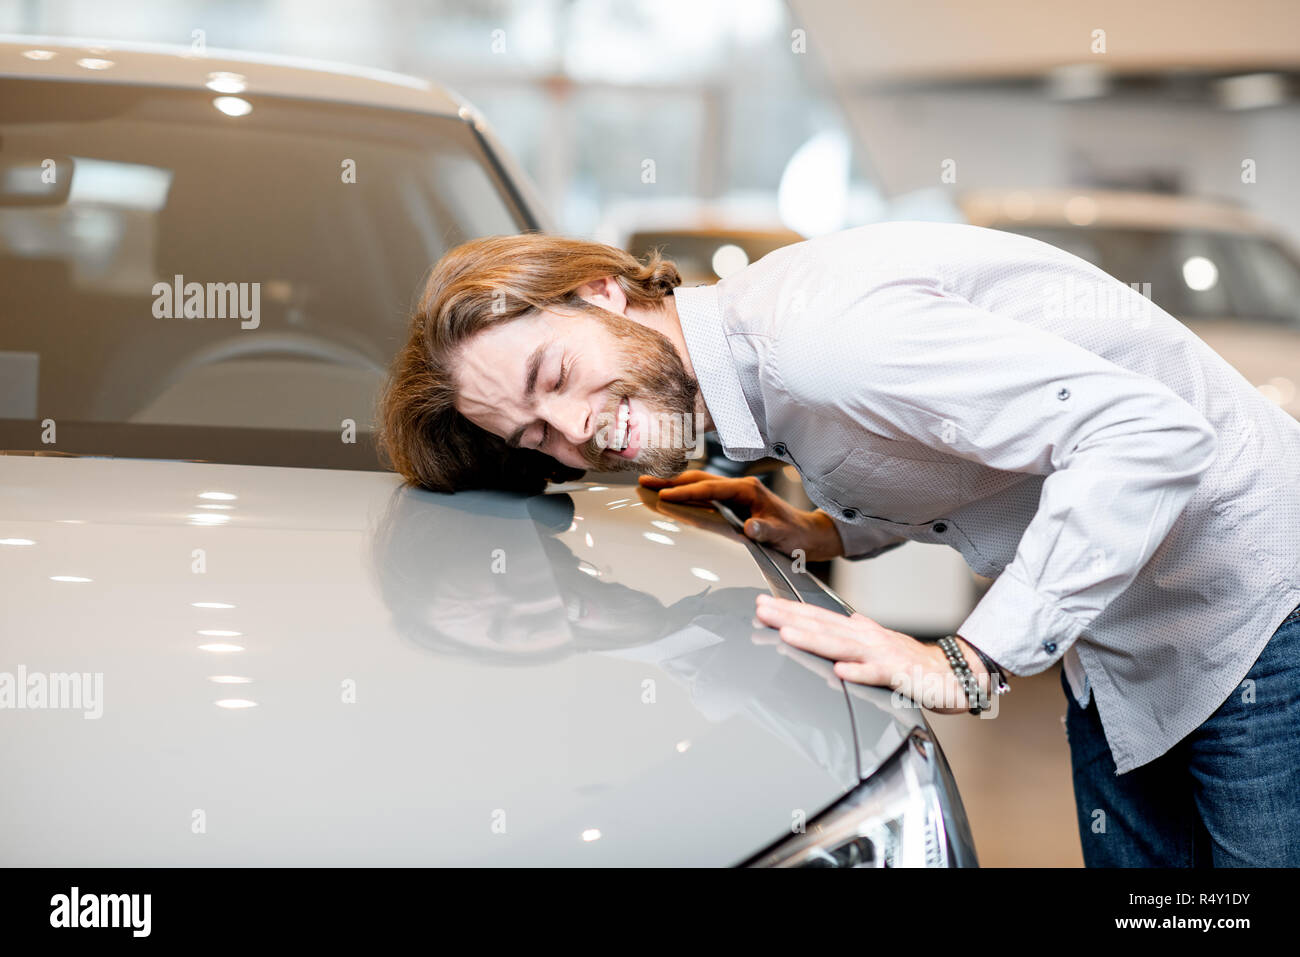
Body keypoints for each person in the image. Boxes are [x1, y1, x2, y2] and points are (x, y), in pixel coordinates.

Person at [377, 222, 1300, 866]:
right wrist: (825, 528)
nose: (581, 433)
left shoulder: (820, 340)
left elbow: (1151, 436)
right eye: (538, 437)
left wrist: (971, 657)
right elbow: (959, 448)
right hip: (1124, 634)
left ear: (602, 291)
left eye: (556, 375)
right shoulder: (757, 359)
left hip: (1252, 603)